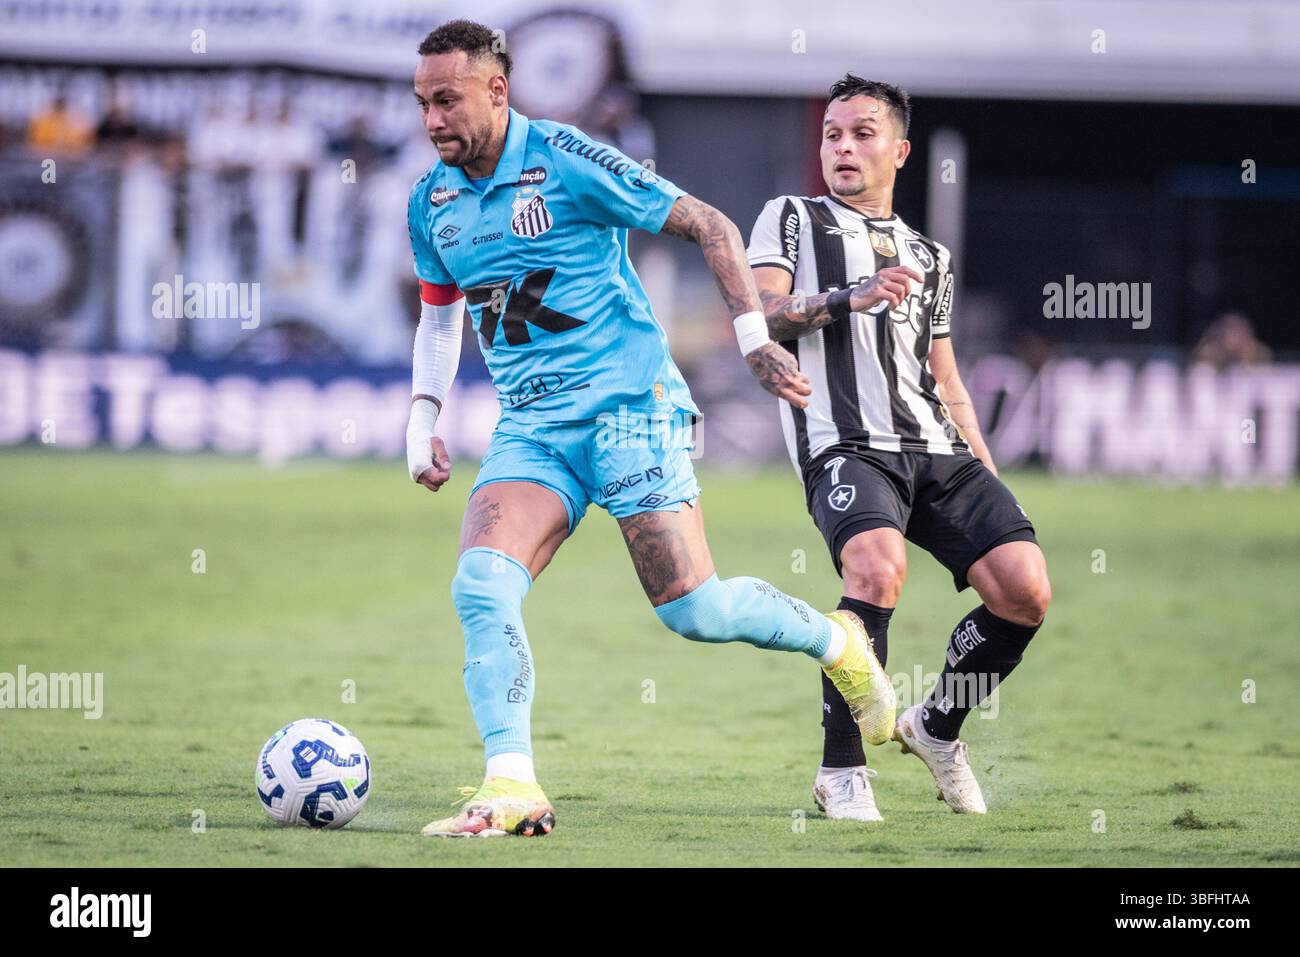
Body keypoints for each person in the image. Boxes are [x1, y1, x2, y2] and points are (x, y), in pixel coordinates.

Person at [404, 22, 894, 838]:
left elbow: (711, 225)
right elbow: (437, 318)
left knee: (693, 611)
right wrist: (423, 417)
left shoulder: (565, 158)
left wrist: (753, 341)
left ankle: (836, 639)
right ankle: (514, 784)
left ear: (496, 90)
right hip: (533, 431)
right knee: (480, 587)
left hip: (630, 414)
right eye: (421, 104)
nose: (431, 121)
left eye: (446, 100)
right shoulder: (433, 200)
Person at [746, 75, 1052, 820]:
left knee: (1025, 588)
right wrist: (850, 295)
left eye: (862, 133)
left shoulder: (930, 256)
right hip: (846, 443)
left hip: (937, 445)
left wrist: (982, 464)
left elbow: (944, 374)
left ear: (900, 150)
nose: (842, 147)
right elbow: (762, 313)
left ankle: (936, 725)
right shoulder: (791, 218)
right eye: (831, 134)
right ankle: (841, 772)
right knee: (877, 572)